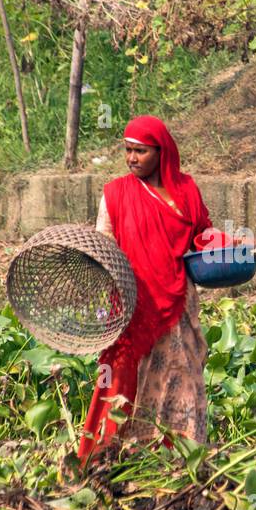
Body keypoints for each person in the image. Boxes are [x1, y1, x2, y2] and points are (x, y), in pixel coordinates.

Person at [77, 115, 218, 467]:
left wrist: (238, 243)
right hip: (132, 303)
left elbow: (203, 236)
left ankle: (179, 453)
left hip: (176, 305)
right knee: (124, 378)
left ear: (161, 151)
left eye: (140, 151)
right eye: (127, 151)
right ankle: (114, 454)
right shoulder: (116, 194)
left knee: (183, 375)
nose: (132, 158)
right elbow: (105, 245)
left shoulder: (185, 191)